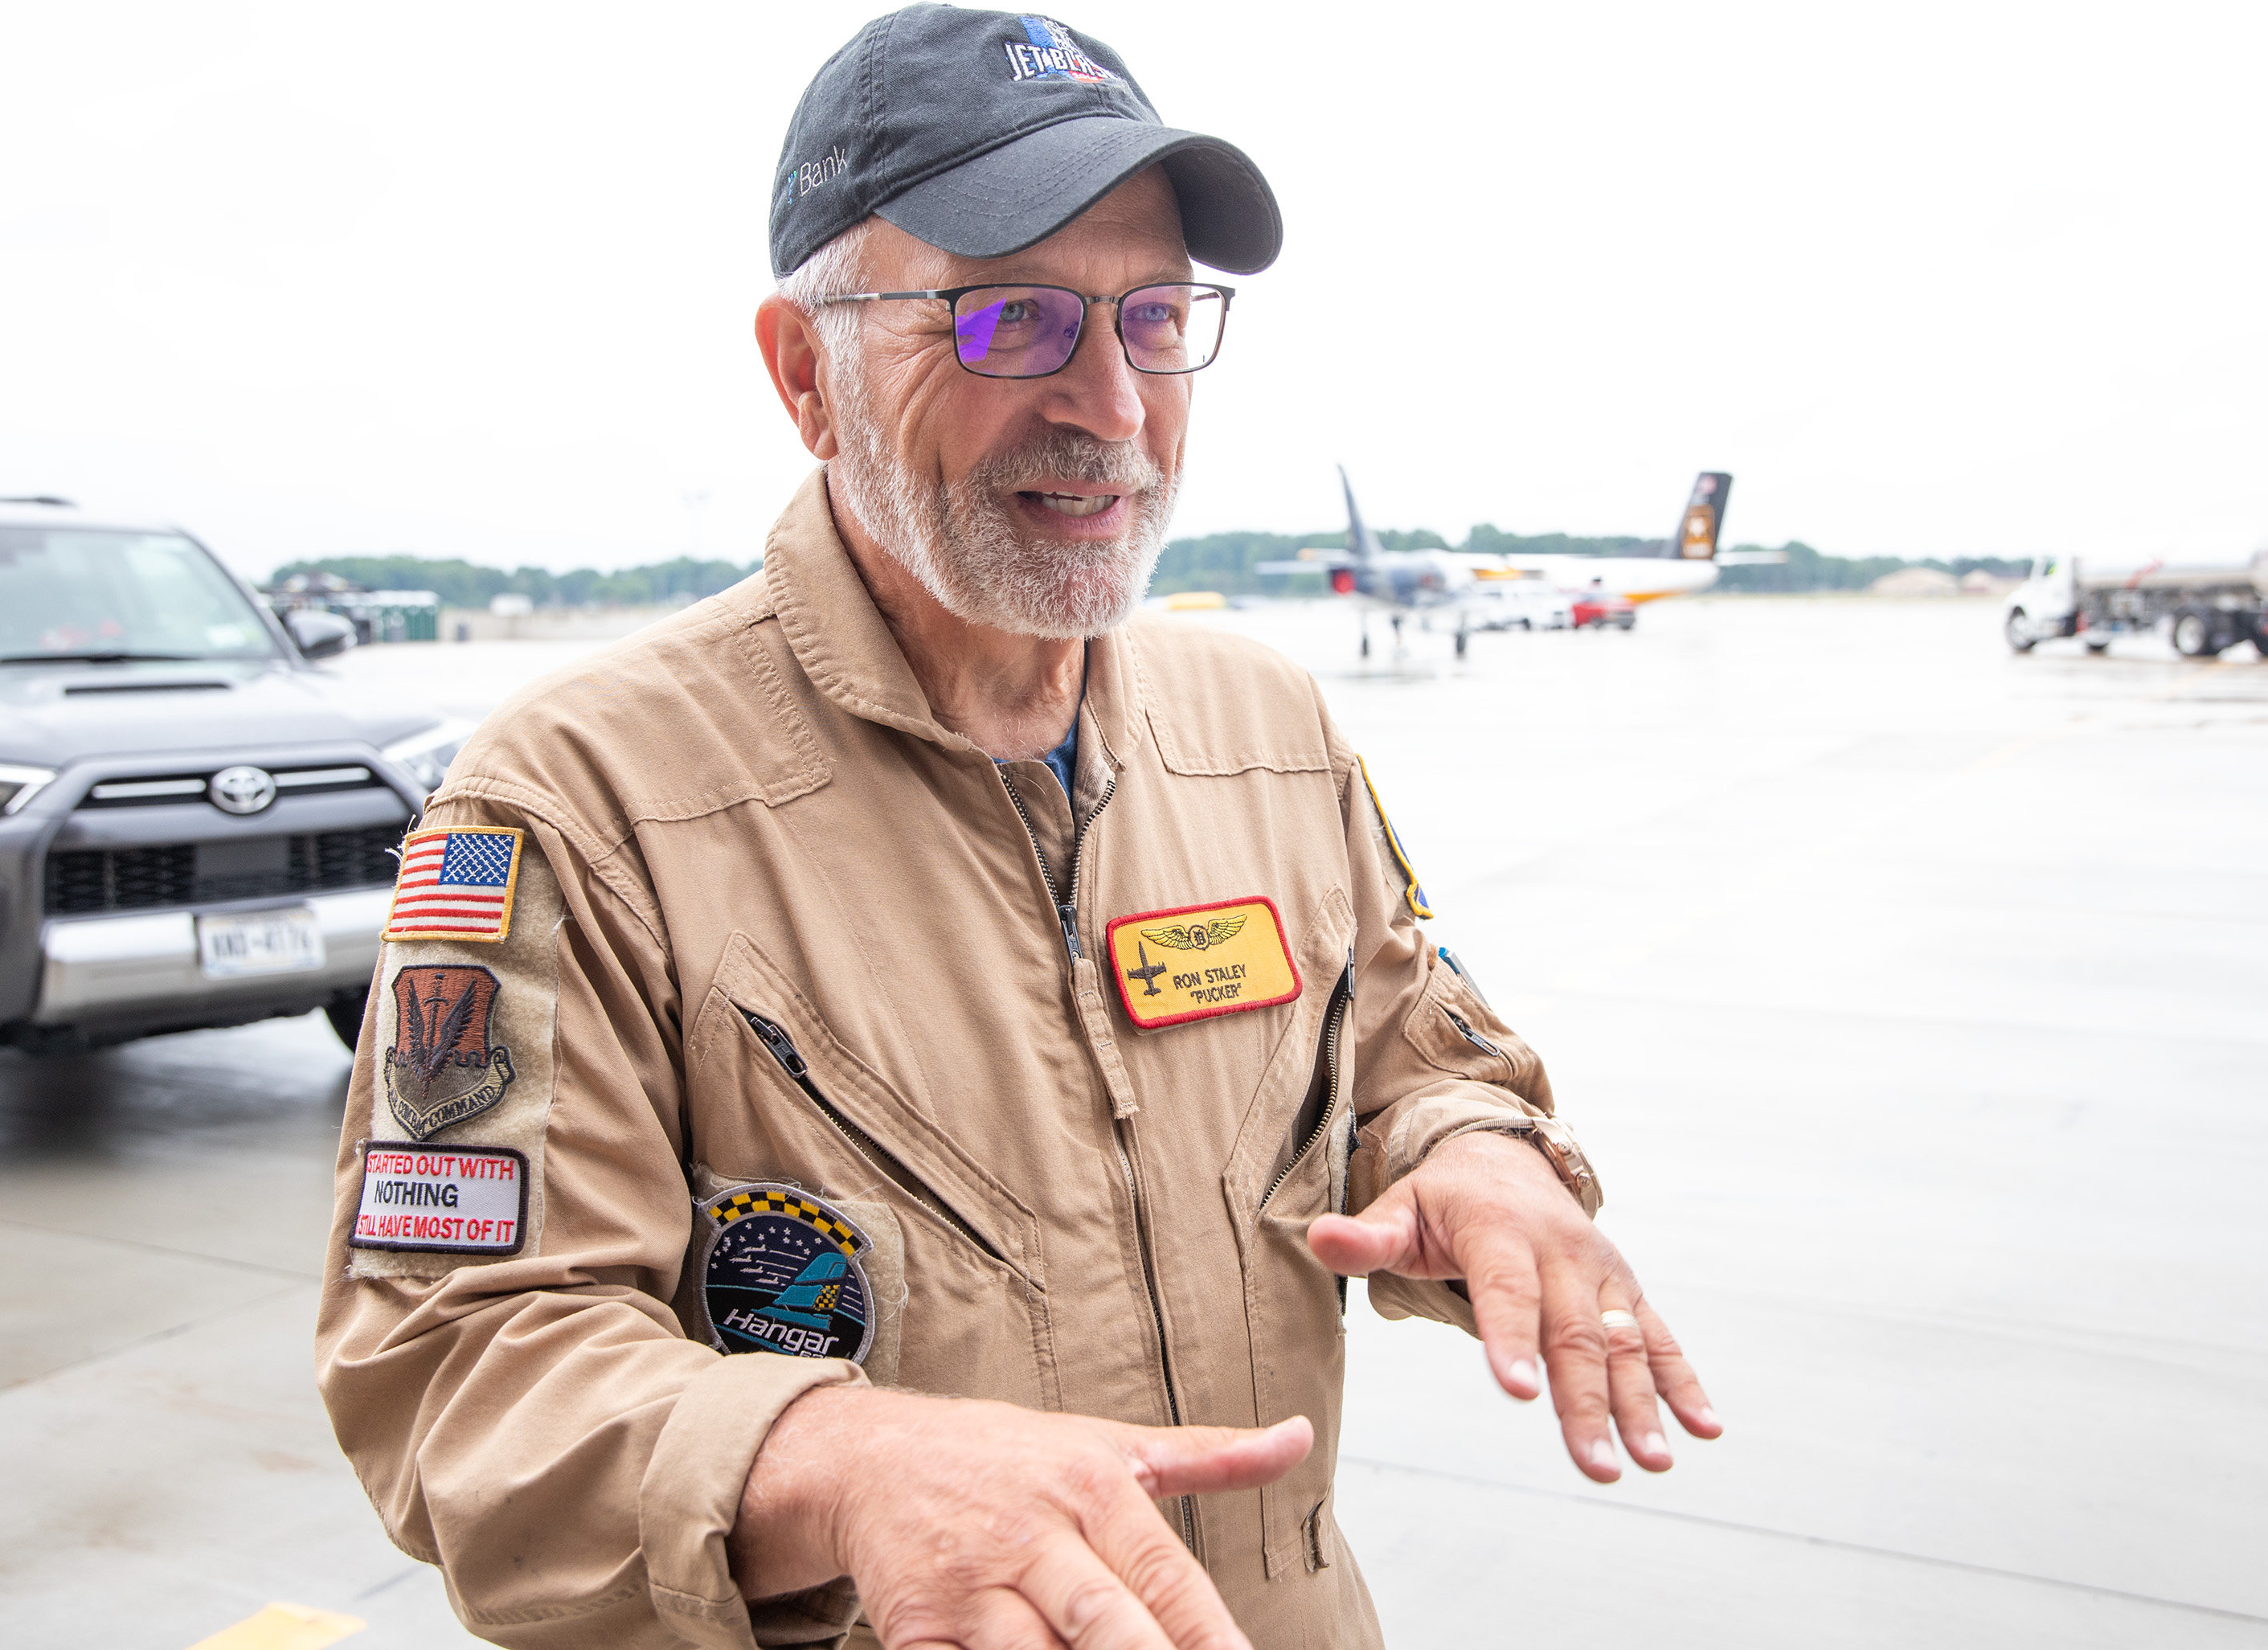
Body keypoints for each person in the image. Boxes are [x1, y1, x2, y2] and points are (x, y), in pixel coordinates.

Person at [316, 8, 1717, 1647]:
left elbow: (1405, 1055)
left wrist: (1470, 1154)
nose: (1110, 403)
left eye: (1154, 315)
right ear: (804, 374)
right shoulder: (578, 804)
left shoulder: (1264, 733)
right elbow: (452, 1375)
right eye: (1012, 320)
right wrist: (834, 1461)